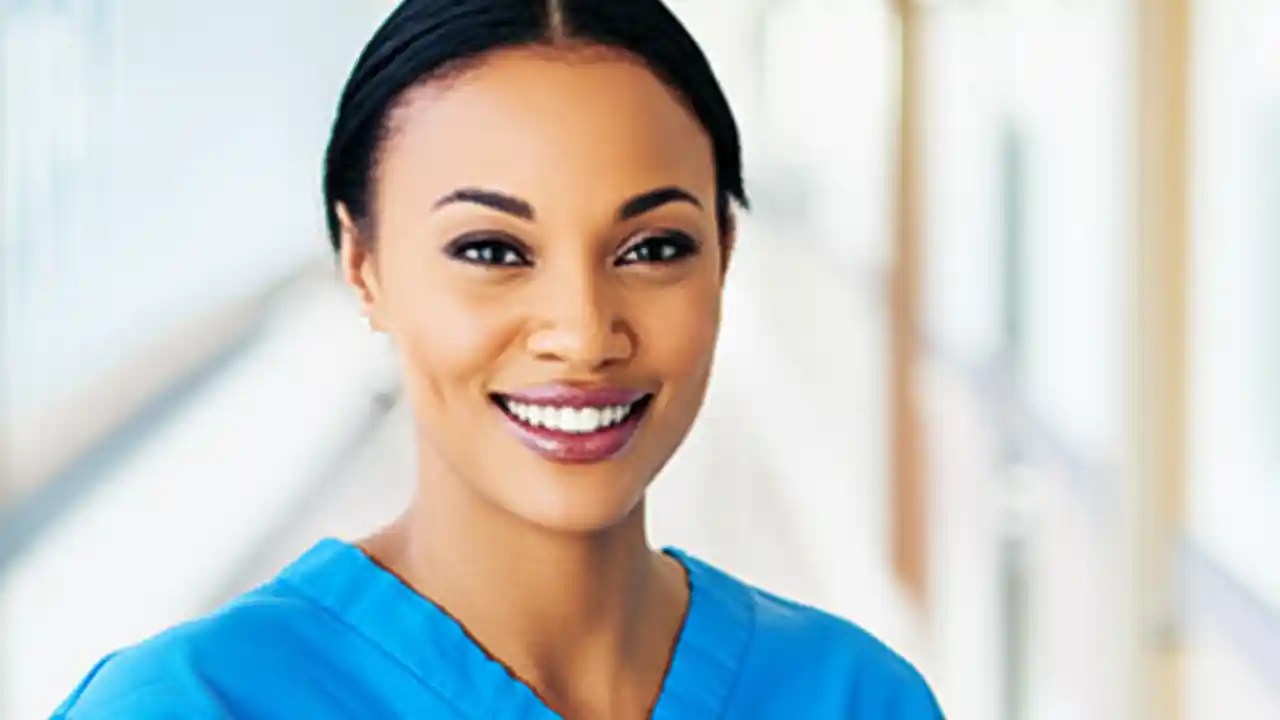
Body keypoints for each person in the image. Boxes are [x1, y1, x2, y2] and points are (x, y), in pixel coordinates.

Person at [53, 1, 944, 717]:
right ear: (362, 265)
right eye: (490, 250)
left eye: (652, 248)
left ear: (725, 252)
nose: (585, 333)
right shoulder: (190, 704)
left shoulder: (857, 696)